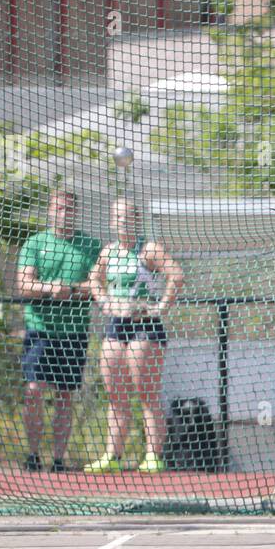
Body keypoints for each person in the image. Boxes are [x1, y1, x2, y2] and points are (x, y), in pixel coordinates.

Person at [85, 198, 184, 475]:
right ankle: (112, 455)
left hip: (145, 327)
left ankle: (153, 456)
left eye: (128, 217)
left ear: (137, 220)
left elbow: (176, 275)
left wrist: (160, 306)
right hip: (117, 326)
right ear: (111, 221)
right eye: (118, 217)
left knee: (146, 393)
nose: (123, 222)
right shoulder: (109, 252)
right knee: (115, 395)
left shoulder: (149, 249)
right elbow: (94, 280)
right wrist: (105, 302)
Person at [15, 190, 101, 473]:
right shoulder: (35, 243)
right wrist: (50, 288)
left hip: (73, 331)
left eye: (68, 209)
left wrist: (72, 290)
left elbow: (98, 285)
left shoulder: (90, 245)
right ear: (50, 211)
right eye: (58, 208)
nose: (63, 213)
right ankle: (32, 454)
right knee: (34, 390)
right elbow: (24, 285)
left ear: (75, 212)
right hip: (40, 329)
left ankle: (59, 460)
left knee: (65, 395)